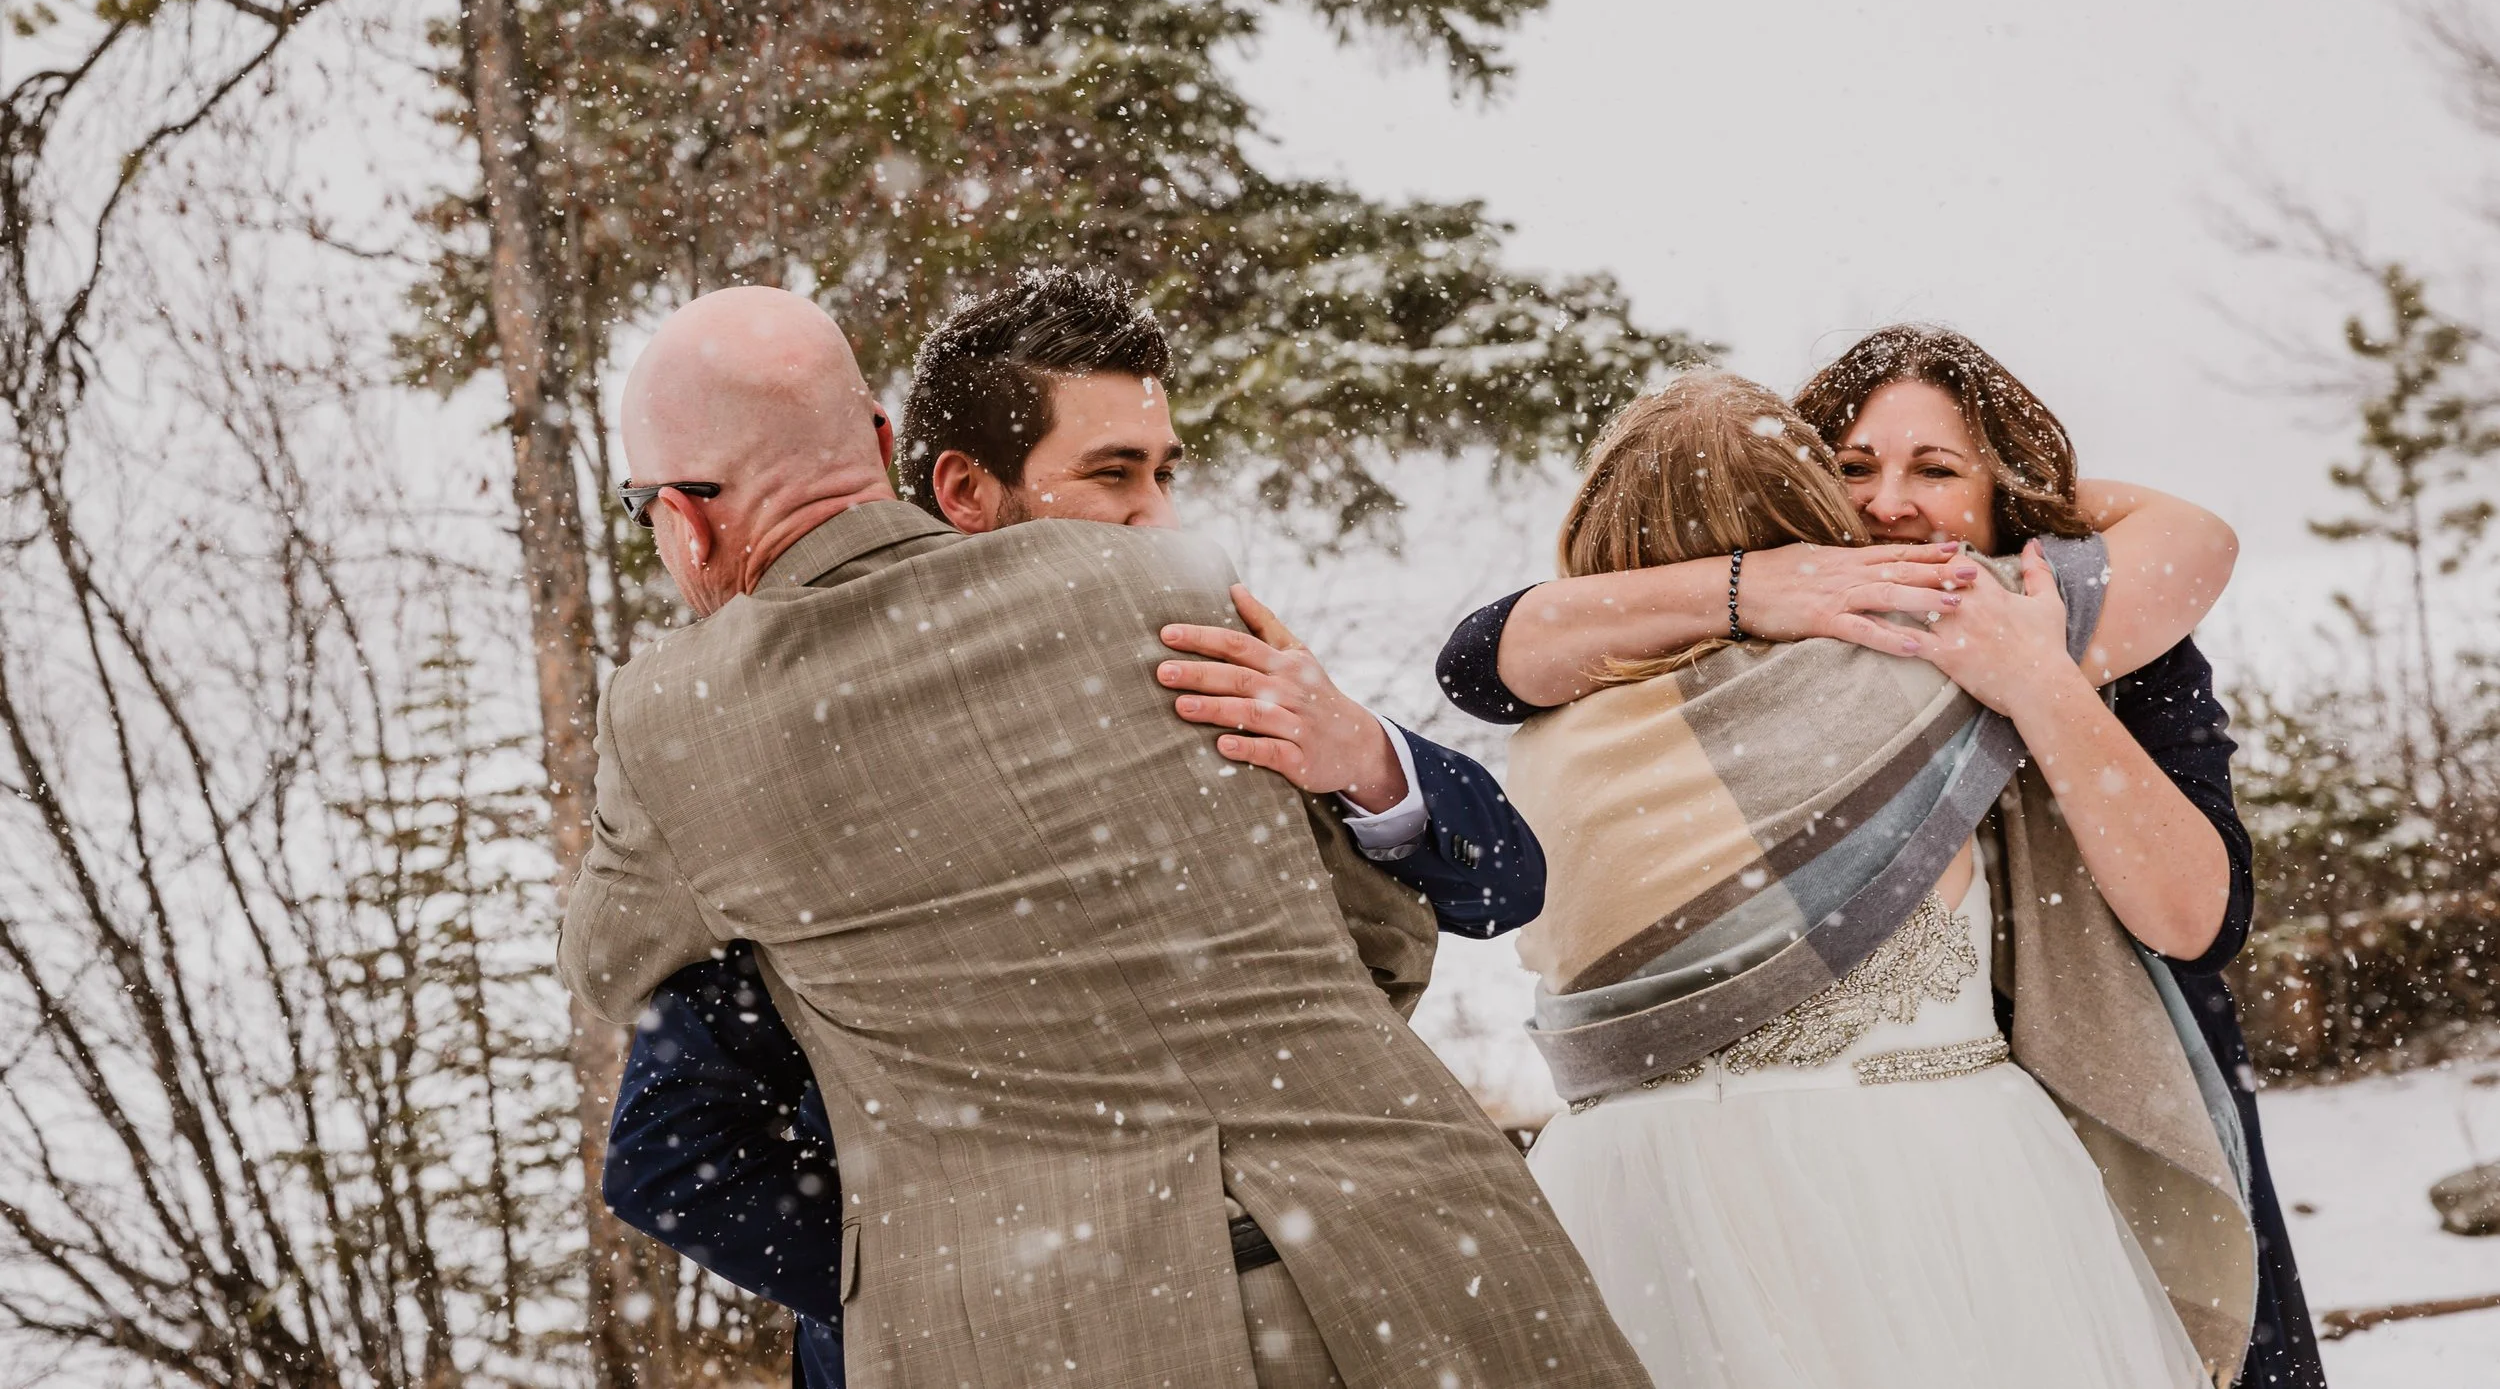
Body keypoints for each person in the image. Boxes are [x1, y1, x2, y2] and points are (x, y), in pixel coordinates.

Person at [559, 285, 1649, 1389]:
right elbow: (1379, 936)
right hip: (1430, 1255)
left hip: (1066, 1336)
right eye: (1115, 473)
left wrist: (1363, 755)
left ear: (685, 517)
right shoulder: (1170, 599)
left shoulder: (688, 731)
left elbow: (608, 968)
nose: (1155, 513)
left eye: (1162, 472)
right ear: (910, 459)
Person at [1443, 325, 2322, 1389]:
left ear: (2010, 502)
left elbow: (2194, 920)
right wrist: (1747, 586)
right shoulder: (1725, 667)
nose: (1887, 500)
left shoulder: (2081, 631)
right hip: (1888, 1185)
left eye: (1935, 468)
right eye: (1850, 467)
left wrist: (2034, 677)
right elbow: (1481, 658)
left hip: (2104, 1107)